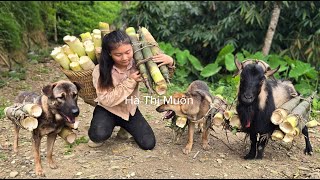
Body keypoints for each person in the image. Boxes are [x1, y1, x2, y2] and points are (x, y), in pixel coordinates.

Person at [88, 30, 175, 150]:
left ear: (132, 48)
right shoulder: (100, 70)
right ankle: (106, 125)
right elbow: (105, 100)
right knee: (98, 135)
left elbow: (161, 81)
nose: (124, 58)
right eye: (118, 55)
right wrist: (130, 81)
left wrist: (170, 62)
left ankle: (125, 128)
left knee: (148, 144)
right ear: (109, 53)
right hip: (107, 110)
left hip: (130, 109)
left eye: (128, 52)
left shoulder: (139, 63)